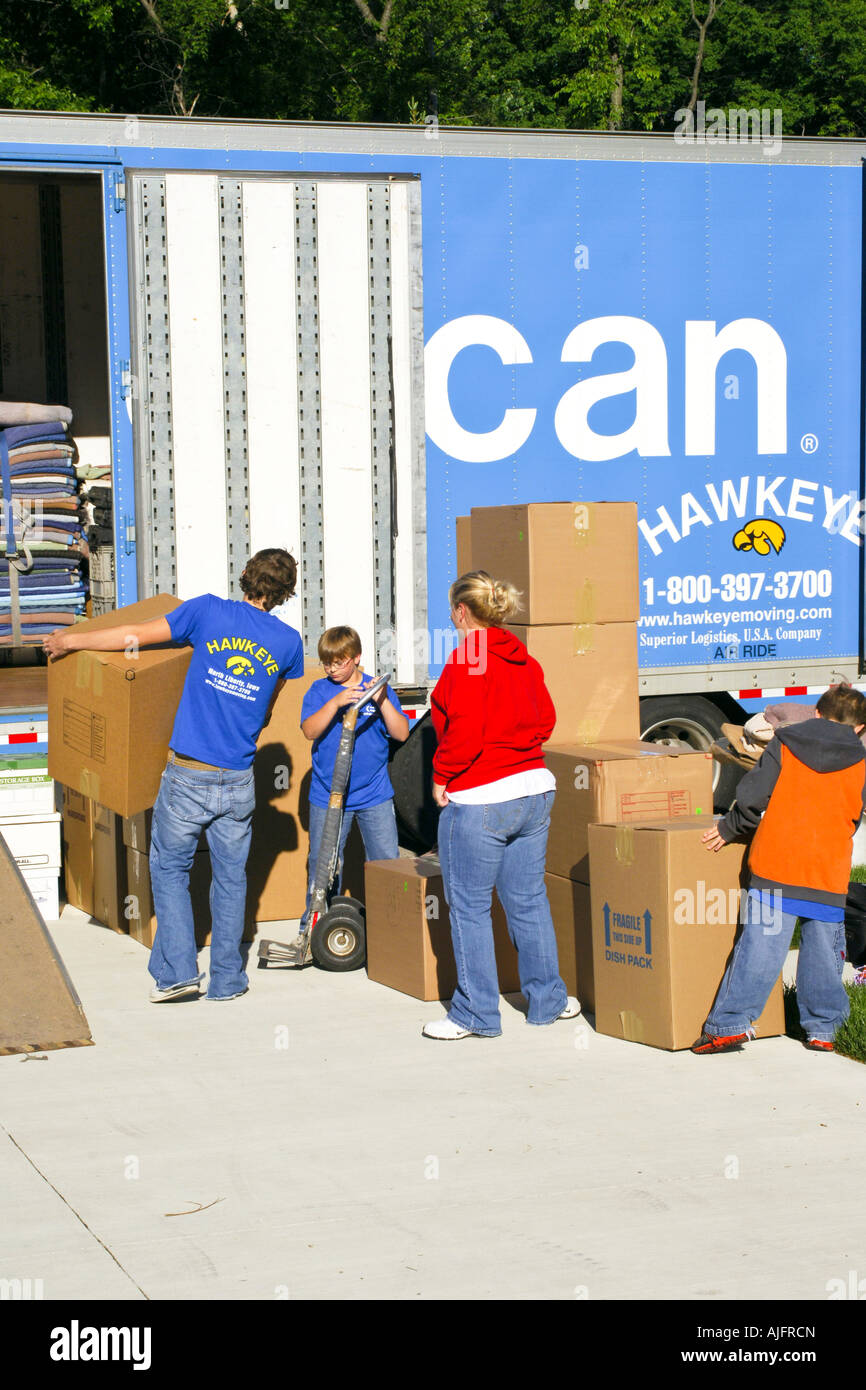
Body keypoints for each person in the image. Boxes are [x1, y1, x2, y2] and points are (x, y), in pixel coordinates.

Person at [43, 549, 304, 1003]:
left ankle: (179, 972)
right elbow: (267, 706)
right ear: (284, 595)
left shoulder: (207, 611)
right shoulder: (288, 642)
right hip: (240, 777)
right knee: (231, 878)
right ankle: (227, 980)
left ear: (244, 574)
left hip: (188, 774)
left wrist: (72, 642)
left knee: (168, 870)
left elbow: (135, 636)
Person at [423, 571, 579, 1040]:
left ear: (462, 612)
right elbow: (546, 720)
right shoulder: (523, 659)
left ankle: (475, 1013)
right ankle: (548, 1000)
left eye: (451, 610)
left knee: (469, 908)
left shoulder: (466, 660)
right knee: (528, 900)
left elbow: (464, 733)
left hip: (482, 797)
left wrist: (441, 775)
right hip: (534, 789)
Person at [693, 683, 866, 1055]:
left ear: (817, 713)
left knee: (760, 947)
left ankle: (729, 1024)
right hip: (827, 871)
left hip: (776, 865)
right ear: (860, 729)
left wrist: (728, 828)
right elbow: (854, 817)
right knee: (823, 953)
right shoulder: (862, 759)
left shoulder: (786, 743)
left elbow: (752, 797)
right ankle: (823, 1029)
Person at [299, 625, 409, 929]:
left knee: (386, 862)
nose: (332, 669)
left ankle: (393, 929)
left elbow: (401, 733)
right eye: (326, 662)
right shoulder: (320, 691)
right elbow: (309, 731)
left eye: (339, 662)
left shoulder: (376, 688)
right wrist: (336, 703)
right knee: (325, 866)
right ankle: (317, 928)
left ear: (356, 658)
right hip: (329, 795)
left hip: (373, 793)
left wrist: (382, 699)